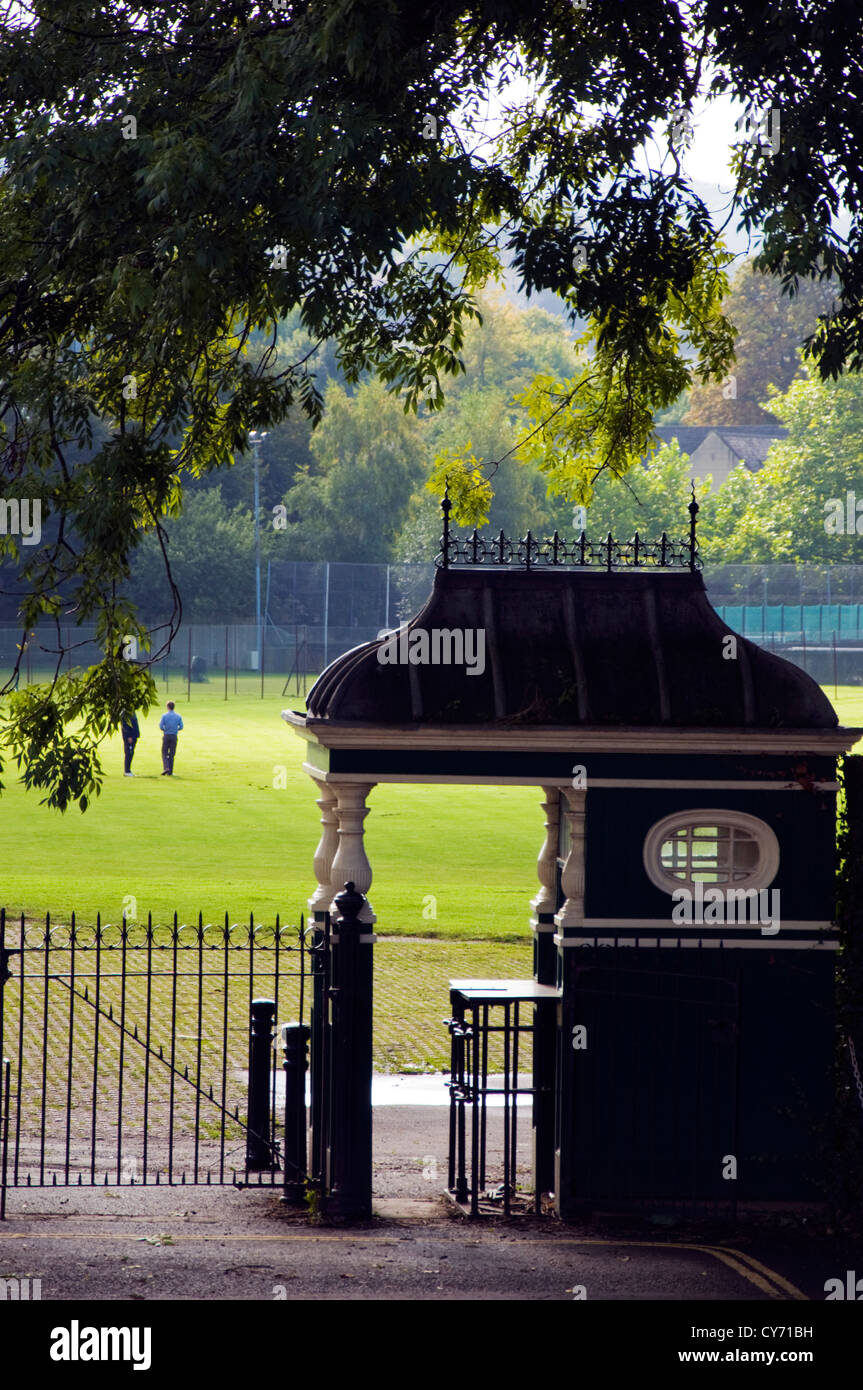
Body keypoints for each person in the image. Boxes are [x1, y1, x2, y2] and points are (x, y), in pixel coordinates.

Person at [159, 701, 184, 775]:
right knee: (172, 754)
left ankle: (166, 767)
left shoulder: (164, 716)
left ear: (168, 707)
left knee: (164, 752)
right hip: (174, 736)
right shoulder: (178, 716)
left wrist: (165, 729)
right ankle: (170, 772)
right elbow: (181, 727)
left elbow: (160, 726)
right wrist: (175, 729)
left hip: (166, 735)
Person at [120, 711, 140, 776]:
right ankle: (127, 771)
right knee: (129, 753)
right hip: (129, 737)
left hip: (133, 736)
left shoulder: (131, 712)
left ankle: (128, 770)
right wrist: (129, 736)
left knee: (131, 753)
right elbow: (125, 726)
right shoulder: (125, 713)